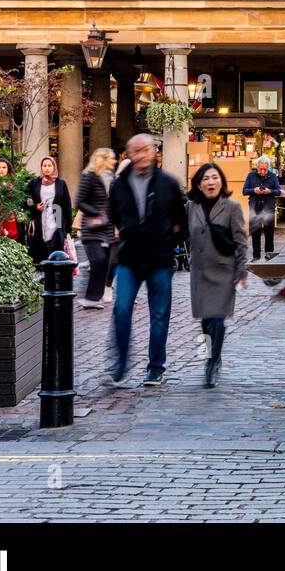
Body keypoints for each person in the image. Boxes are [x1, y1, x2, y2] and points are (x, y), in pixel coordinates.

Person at [108, 134, 187, 387]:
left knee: (160, 314)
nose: (141, 155)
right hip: (129, 258)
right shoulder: (119, 184)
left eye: (146, 150)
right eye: (136, 150)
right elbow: (113, 215)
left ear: (154, 152)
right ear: (128, 154)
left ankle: (155, 367)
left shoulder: (167, 183)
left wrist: (168, 243)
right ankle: (120, 364)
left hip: (159, 259)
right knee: (121, 309)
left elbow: (180, 219)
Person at [187, 163, 249, 389]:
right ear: (199, 184)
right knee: (205, 320)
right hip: (200, 271)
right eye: (205, 178)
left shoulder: (231, 207)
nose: (210, 182)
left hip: (224, 270)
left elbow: (241, 239)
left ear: (221, 181)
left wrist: (241, 270)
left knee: (216, 318)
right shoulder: (191, 207)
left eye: (214, 177)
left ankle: (212, 362)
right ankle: (209, 355)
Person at [76, 148, 117, 310]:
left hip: (106, 229)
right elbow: (80, 201)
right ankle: (90, 297)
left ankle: (94, 297)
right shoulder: (89, 177)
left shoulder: (109, 178)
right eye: (111, 158)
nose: (114, 162)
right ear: (102, 159)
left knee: (105, 263)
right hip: (92, 229)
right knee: (98, 260)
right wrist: (97, 212)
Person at [24, 156, 72, 266]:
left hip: (56, 217)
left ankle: (55, 273)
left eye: (49, 165)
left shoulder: (61, 183)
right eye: (44, 166)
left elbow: (67, 205)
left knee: (56, 245)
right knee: (40, 246)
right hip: (40, 218)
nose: (47, 168)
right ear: (41, 168)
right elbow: (26, 199)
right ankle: (41, 272)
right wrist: (35, 207)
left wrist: (68, 227)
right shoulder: (34, 183)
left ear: (54, 167)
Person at [242, 155, 282, 261]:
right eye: (261, 169)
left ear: (268, 167)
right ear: (257, 167)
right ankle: (256, 256)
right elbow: (244, 191)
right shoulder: (251, 176)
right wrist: (253, 190)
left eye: (265, 169)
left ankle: (269, 255)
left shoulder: (273, 176)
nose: (263, 171)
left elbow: (278, 191)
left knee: (269, 234)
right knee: (255, 233)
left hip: (268, 208)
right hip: (255, 208)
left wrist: (270, 191)